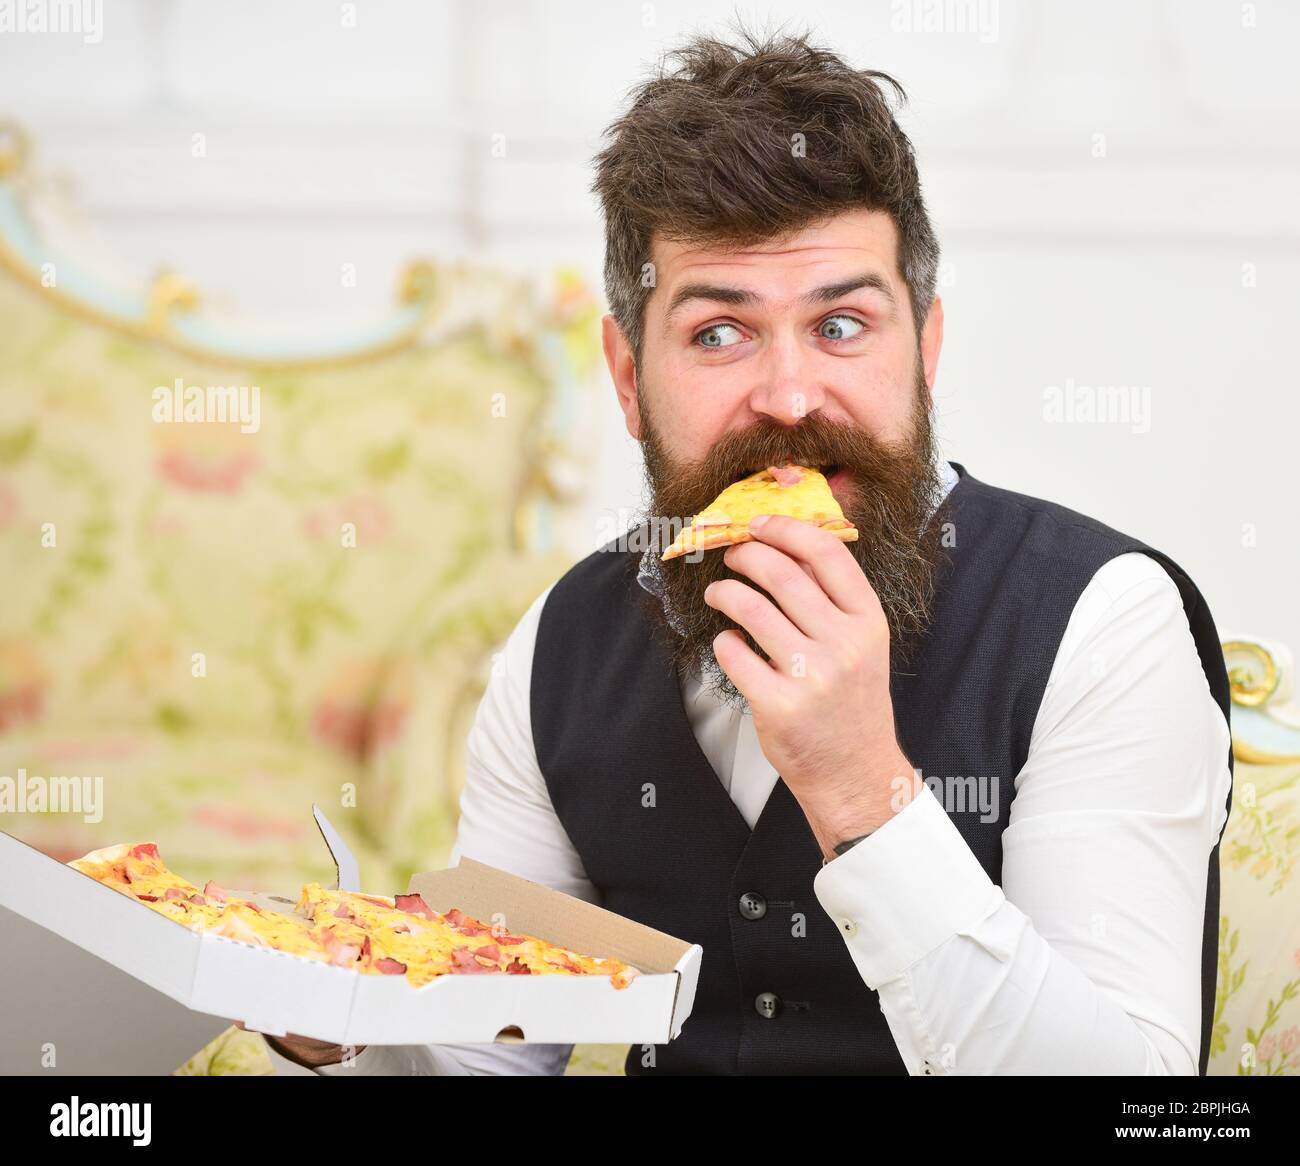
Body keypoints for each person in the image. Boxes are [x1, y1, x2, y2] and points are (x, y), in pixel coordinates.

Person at [254, 24, 1232, 1076]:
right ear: (628, 377)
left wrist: (864, 791)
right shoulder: (565, 643)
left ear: (926, 348)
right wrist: (341, 1019)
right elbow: (482, 1056)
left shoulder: (1100, 620)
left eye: (843, 324)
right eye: (718, 333)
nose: (790, 396)